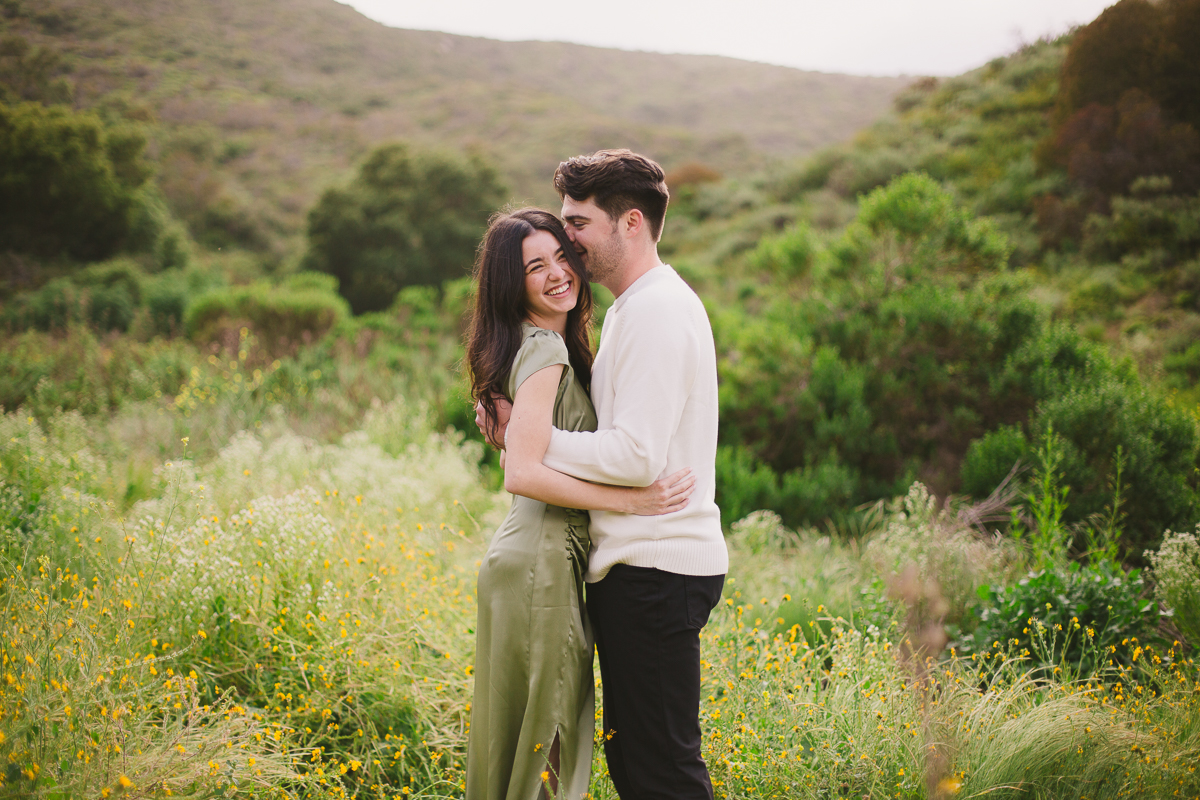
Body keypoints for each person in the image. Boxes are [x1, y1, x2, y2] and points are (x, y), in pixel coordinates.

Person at [483, 151, 729, 800]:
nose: (568, 241)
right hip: (643, 569)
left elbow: (636, 456)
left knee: (661, 774)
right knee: (643, 768)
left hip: (656, 568)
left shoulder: (653, 311)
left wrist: (531, 440)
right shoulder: (629, 309)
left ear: (631, 224)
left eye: (578, 224)